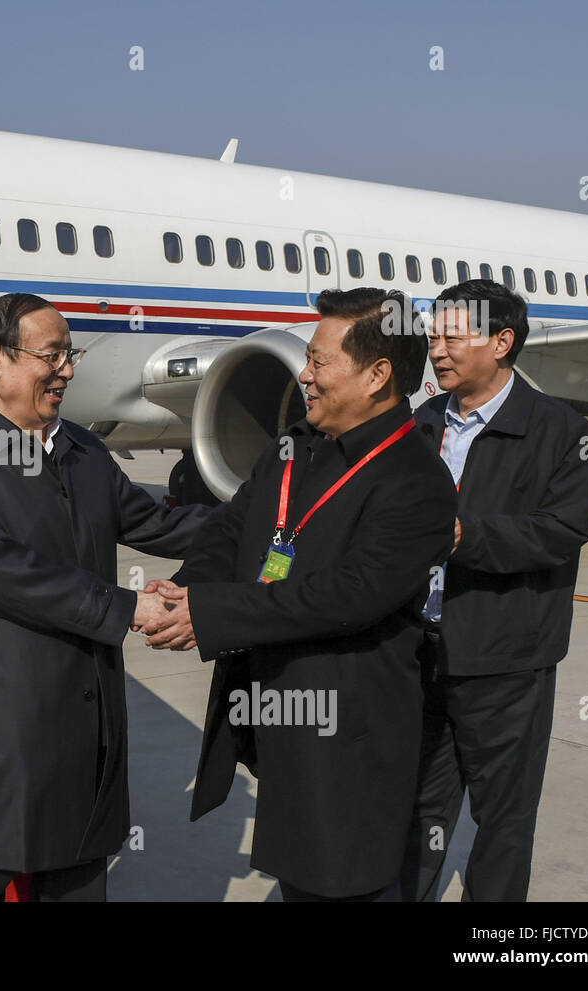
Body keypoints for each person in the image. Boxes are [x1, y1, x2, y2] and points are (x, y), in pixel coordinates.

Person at [143, 287, 457, 901]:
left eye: (318, 361)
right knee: (301, 879)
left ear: (377, 375)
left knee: (344, 882)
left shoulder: (417, 480)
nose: (305, 376)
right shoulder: (295, 447)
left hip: (345, 742)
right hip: (279, 721)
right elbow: (235, 528)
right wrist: (183, 588)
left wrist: (209, 615)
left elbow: (346, 597)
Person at [0, 292, 209, 902]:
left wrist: (274, 517)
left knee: (77, 880)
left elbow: (158, 523)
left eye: (71, 354)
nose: (67, 370)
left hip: (84, 718)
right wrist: (128, 608)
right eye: (52, 355)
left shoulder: (84, 452)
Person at [400, 280, 588, 901]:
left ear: (501, 341)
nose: (437, 350)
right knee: (416, 814)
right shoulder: (423, 421)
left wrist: (463, 537)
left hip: (507, 661)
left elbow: (560, 532)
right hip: (422, 655)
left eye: (452, 337)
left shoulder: (561, 431)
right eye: (433, 336)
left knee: (503, 822)